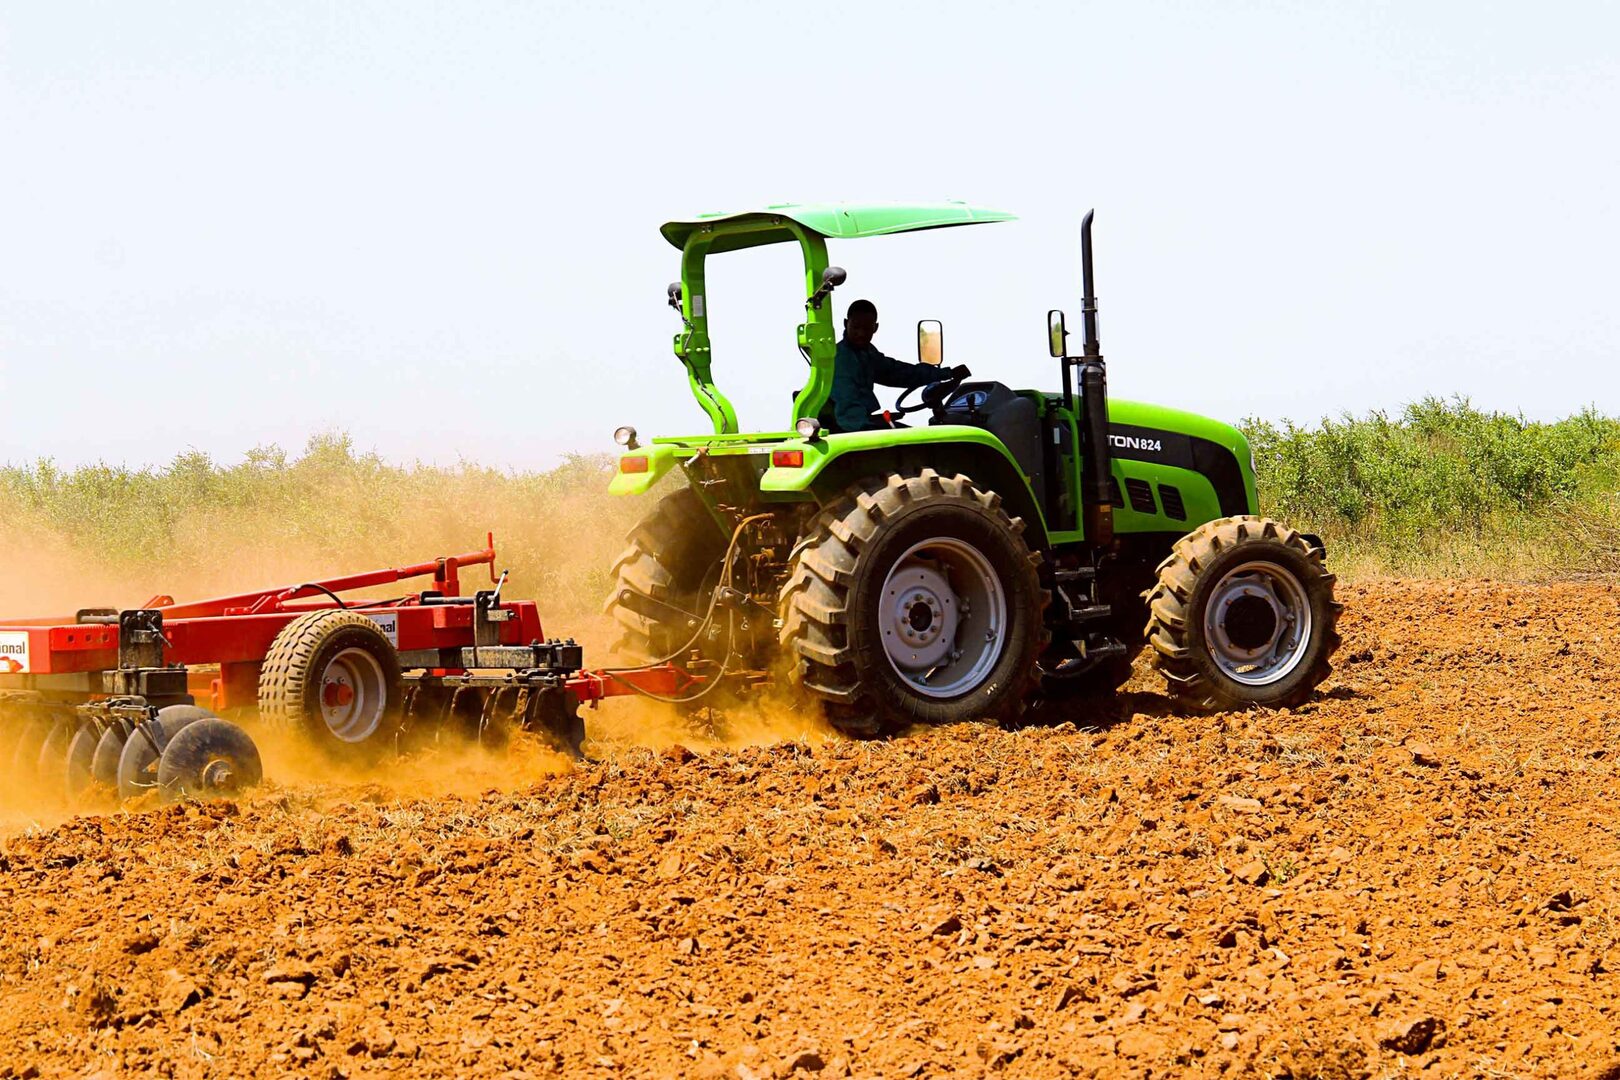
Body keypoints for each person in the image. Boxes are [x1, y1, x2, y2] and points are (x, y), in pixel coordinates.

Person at [824, 299, 958, 433]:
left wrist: (945, 373)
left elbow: (898, 372)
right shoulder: (841, 359)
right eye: (856, 327)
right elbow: (848, 405)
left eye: (866, 328)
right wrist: (867, 428)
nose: (861, 333)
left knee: (911, 435)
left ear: (875, 328)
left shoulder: (867, 354)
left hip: (858, 423)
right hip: (847, 428)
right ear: (846, 324)